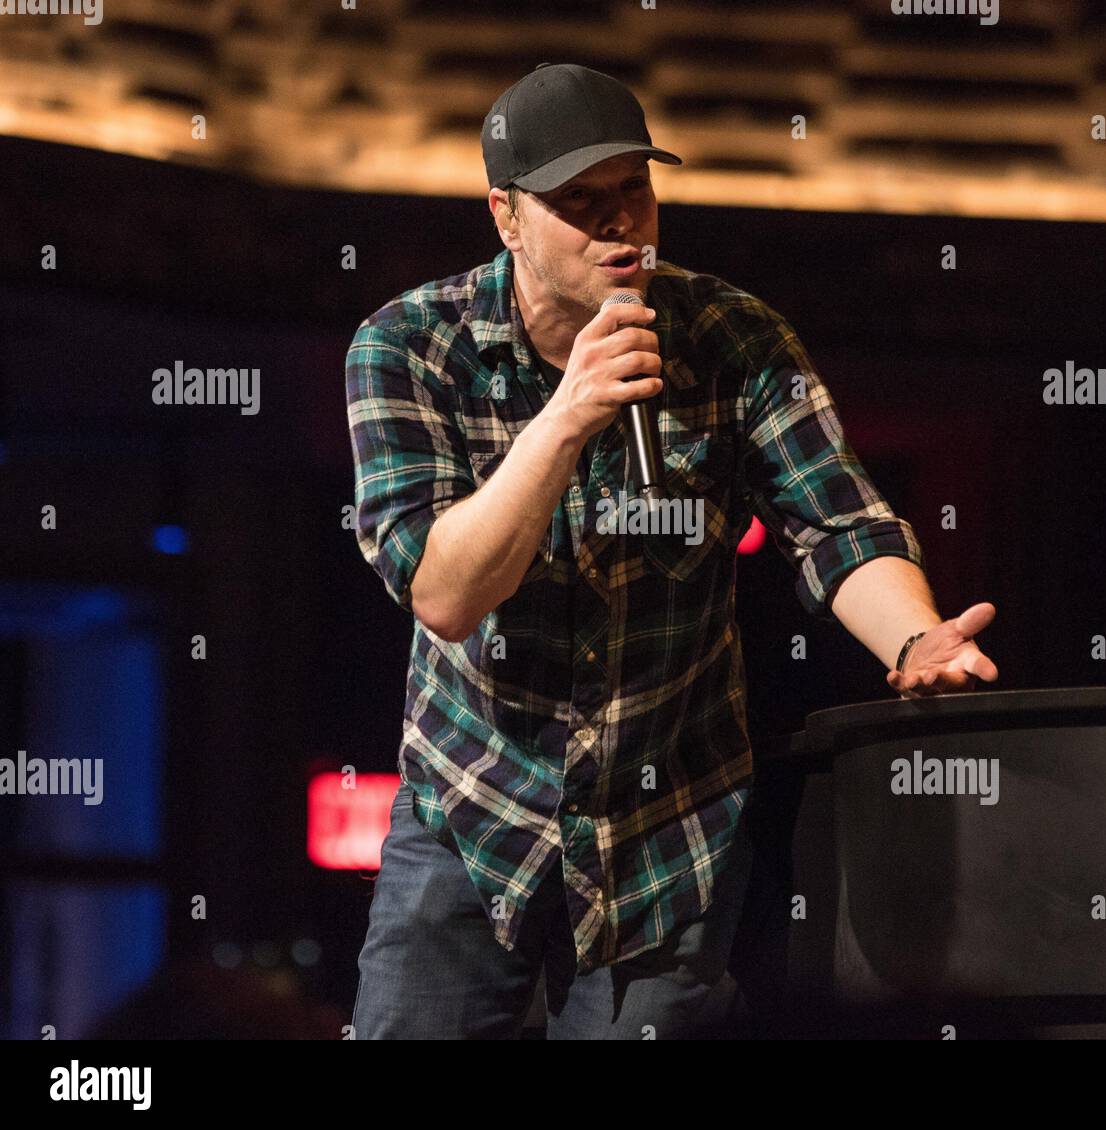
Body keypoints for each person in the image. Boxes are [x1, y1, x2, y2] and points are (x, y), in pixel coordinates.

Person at [345, 63, 998, 1039]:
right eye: (580, 204)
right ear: (506, 216)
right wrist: (566, 418)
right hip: (470, 814)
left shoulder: (729, 336)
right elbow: (444, 591)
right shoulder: (408, 346)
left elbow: (838, 523)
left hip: (666, 828)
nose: (621, 227)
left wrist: (913, 642)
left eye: (634, 194)